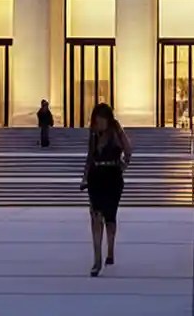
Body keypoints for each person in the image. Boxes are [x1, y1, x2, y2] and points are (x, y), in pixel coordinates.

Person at [81, 103, 131, 277]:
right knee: (95, 216)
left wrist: (123, 165)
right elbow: (89, 155)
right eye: (97, 119)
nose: (99, 123)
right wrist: (84, 177)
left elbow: (128, 150)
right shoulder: (93, 132)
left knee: (110, 217)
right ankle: (97, 260)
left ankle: (110, 249)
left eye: (102, 119)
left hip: (112, 177)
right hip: (96, 176)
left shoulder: (116, 131)